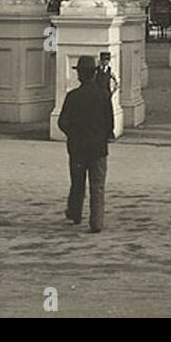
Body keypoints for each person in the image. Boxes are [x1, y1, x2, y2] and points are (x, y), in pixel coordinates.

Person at [57, 54, 114, 232]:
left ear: (79, 75)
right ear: (94, 73)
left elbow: (62, 122)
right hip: (97, 148)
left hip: (77, 147)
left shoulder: (72, 96)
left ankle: (75, 213)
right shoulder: (103, 96)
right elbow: (110, 124)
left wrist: (73, 134)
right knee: (97, 185)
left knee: (77, 182)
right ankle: (96, 222)